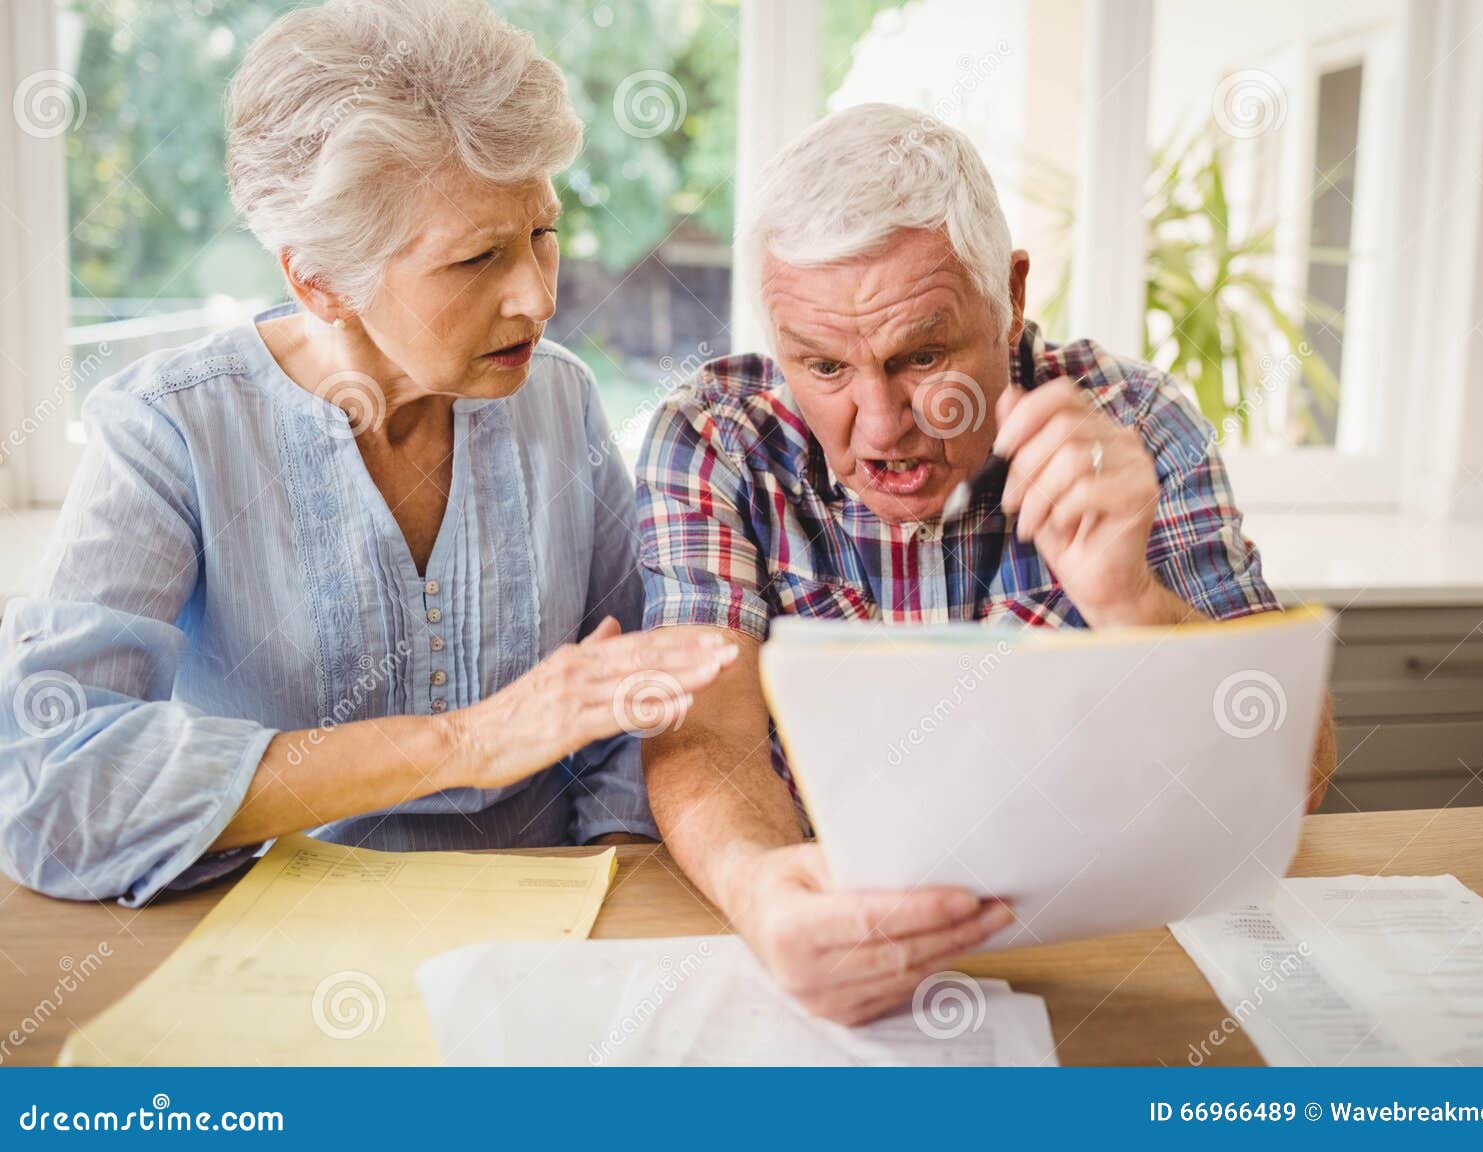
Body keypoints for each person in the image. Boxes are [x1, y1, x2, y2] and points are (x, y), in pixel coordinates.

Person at [0, 0, 735, 906]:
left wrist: (612, 884)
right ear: (320, 279)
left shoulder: (560, 398)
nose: (538, 298)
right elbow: (51, 787)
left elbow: (635, 704)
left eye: (542, 234)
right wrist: (463, 742)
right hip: (277, 941)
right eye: (478, 259)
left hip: (551, 926)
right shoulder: (171, 432)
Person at [635, 104, 1337, 1024]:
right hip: (834, 965)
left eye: (921, 355)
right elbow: (706, 737)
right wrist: (761, 887)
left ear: (1008, 297)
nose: (881, 428)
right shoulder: (717, 439)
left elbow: (1296, 766)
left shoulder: (1131, 421)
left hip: (1107, 956)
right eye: (825, 368)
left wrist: (1130, 599)